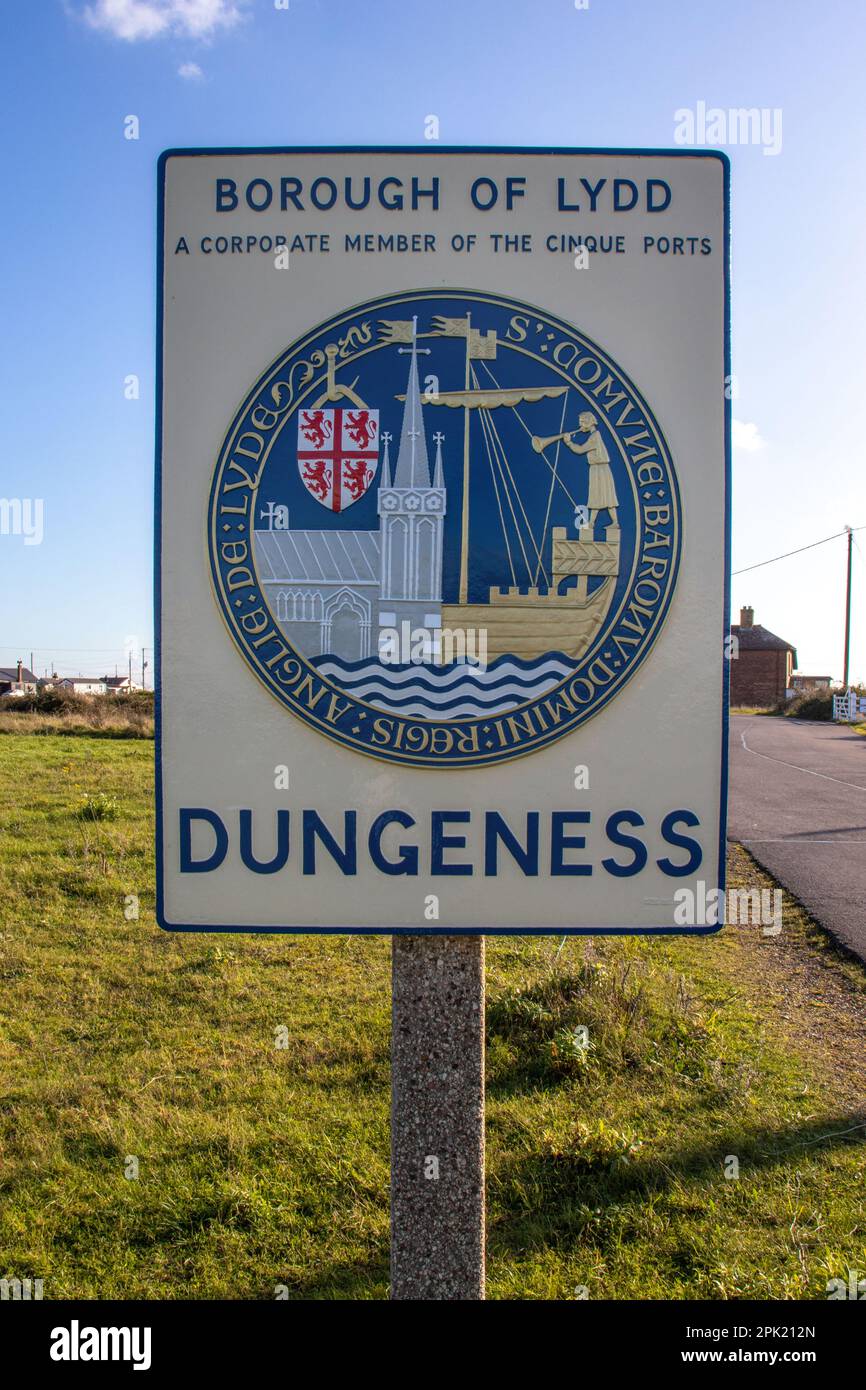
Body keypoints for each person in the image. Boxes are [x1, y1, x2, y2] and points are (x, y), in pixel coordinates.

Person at [563, 412, 618, 525]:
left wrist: (569, 443)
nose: (580, 426)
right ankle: (594, 523)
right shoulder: (595, 435)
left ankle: (611, 522)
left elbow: (581, 450)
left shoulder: (594, 436)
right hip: (597, 469)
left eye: (582, 423)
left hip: (600, 469)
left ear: (588, 422)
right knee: (598, 496)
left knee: (603, 495)